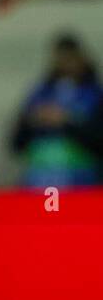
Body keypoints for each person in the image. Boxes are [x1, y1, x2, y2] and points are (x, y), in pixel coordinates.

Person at [9, 33, 103, 189]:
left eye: (69, 58)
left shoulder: (95, 95)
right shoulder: (39, 94)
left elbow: (99, 140)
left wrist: (67, 122)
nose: (65, 64)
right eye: (60, 58)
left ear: (81, 58)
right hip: (38, 183)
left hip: (82, 183)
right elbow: (16, 143)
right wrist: (33, 121)